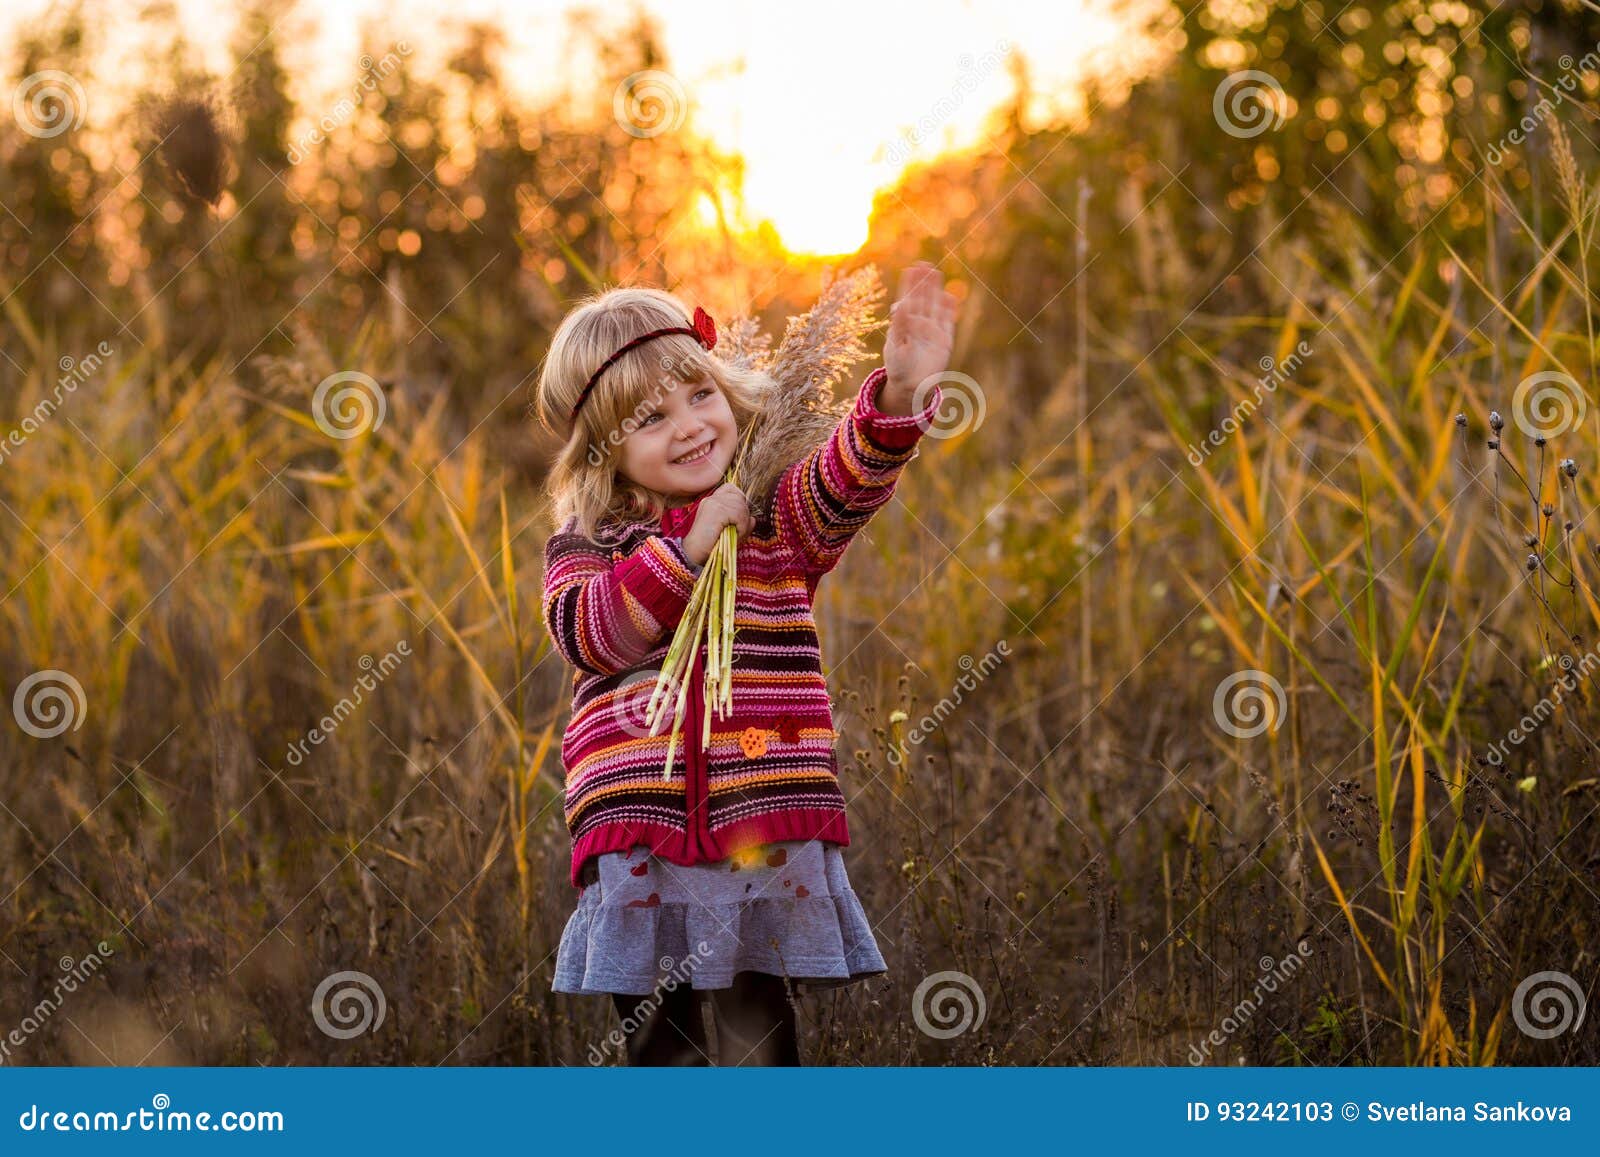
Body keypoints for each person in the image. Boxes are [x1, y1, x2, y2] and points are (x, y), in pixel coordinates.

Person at [534, 263, 959, 1065]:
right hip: (641, 845)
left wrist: (898, 398)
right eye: (651, 417)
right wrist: (685, 549)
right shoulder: (592, 543)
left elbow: (847, 479)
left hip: (758, 831)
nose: (691, 424)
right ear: (602, 450)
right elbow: (592, 634)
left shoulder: (774, 520)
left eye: (700, 394)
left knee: (758, 1044)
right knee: (667, 1055)